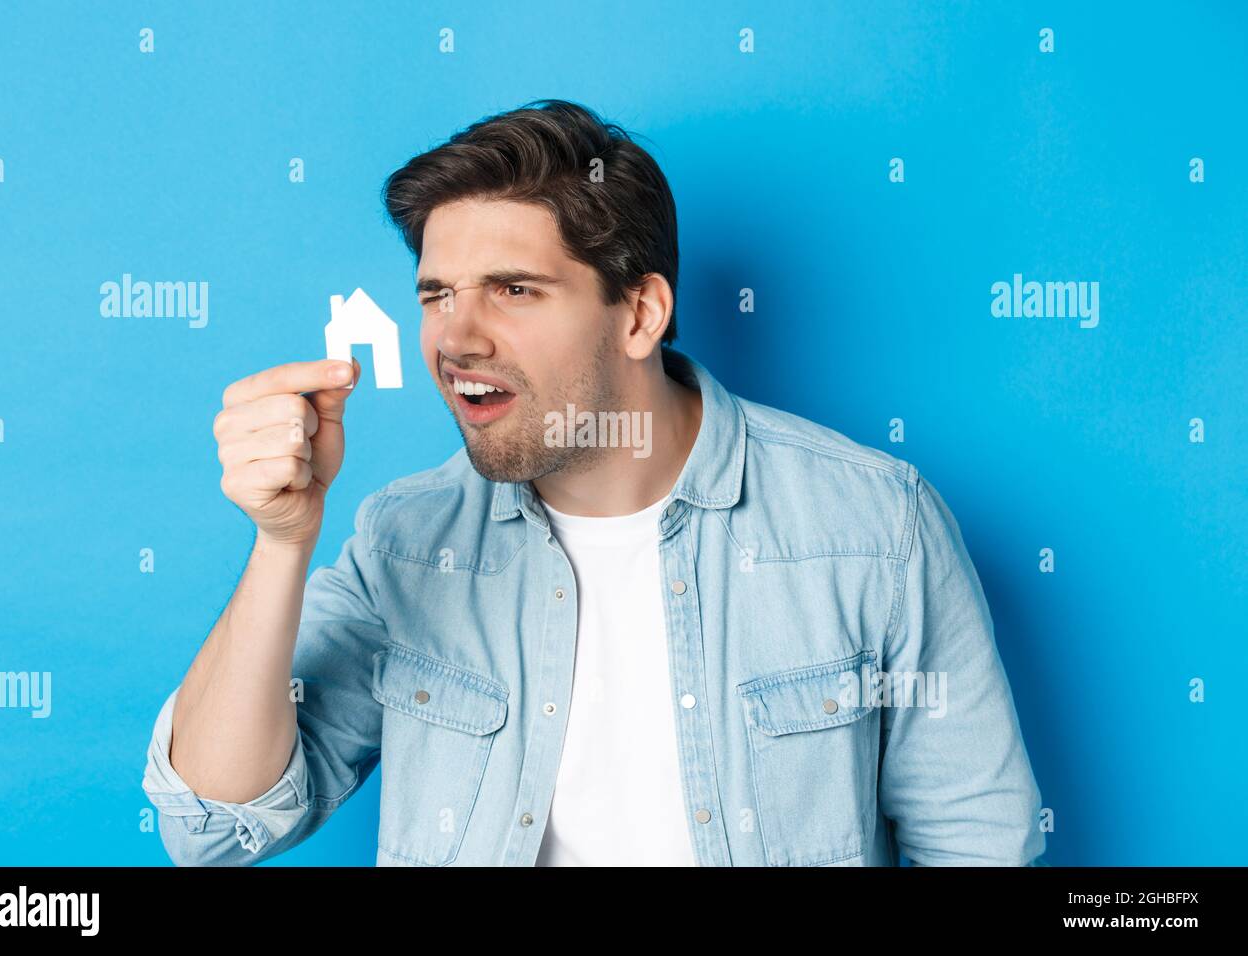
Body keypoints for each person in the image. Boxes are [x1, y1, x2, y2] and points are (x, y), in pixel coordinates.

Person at [141, 98, 1045, 867]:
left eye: (514, 290)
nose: (456, 338)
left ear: (641, 313)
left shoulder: (874, 527)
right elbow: (213, 825)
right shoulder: (405, 541)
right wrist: (282, 541)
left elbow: (980, 847)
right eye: (436, 294)